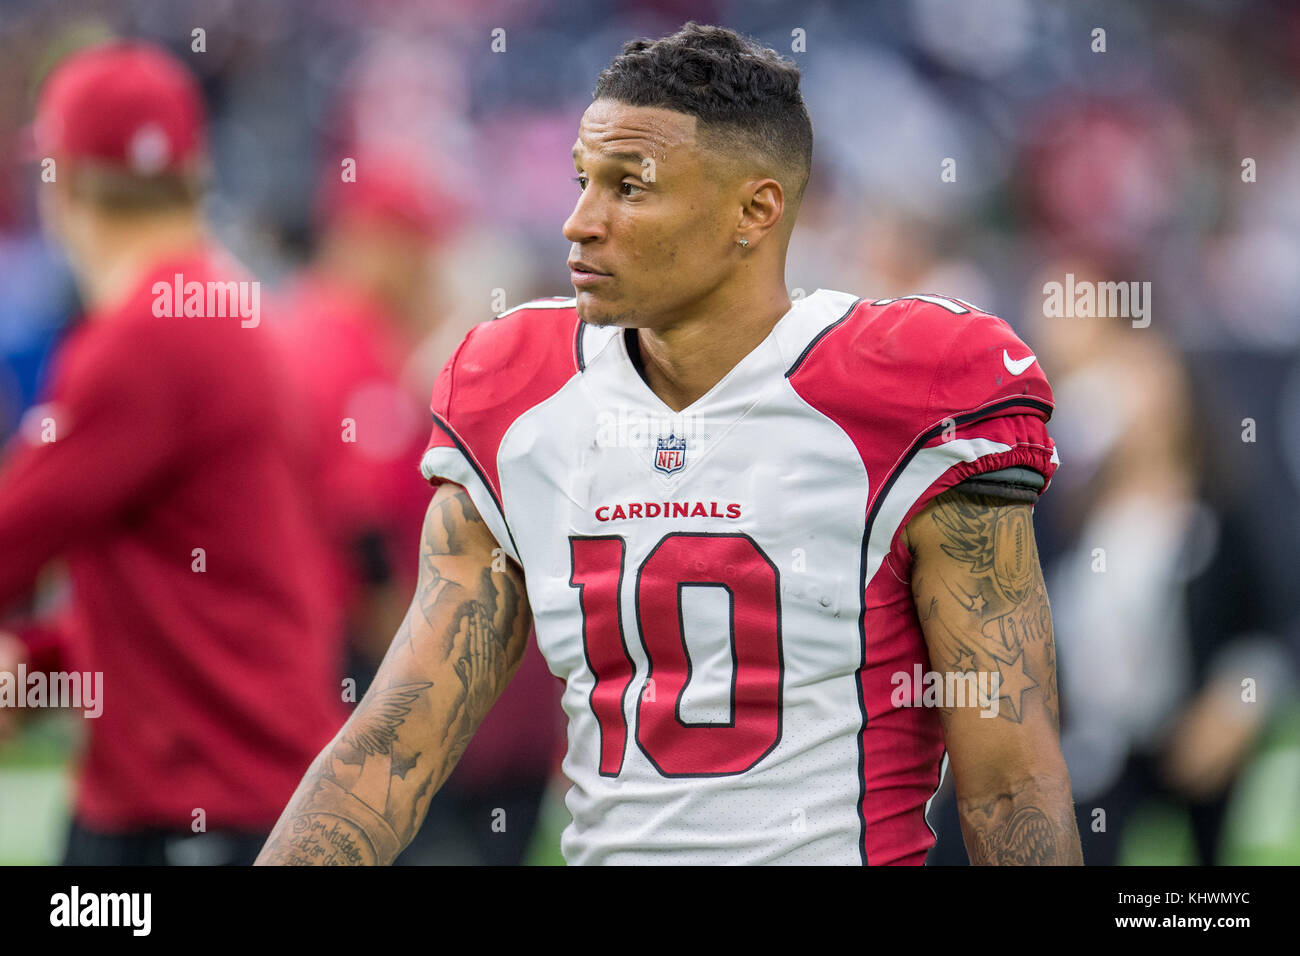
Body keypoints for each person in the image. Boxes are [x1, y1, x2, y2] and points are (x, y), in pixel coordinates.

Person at [258, 21, 1082, 866]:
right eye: (583, 181)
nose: (579, 222)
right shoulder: (519, 392)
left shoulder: (909, 392)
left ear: (754, 211)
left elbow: (1011, 782)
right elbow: (393, 748)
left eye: (630, 187)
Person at [0, 40, 345, 865]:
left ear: (66, 184)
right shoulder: (223, 306)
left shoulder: (146, 335)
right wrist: (43, 662)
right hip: (240, 789)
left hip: (198, 807)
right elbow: (188, 582)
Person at [276, 155, 564, 864]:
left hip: (294, 632)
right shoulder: (350, 343)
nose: (425, 268)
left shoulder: (292, 327)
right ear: (373, 239)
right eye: (415, 247)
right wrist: (406, 650)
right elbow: (361, 516)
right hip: (345, 638)